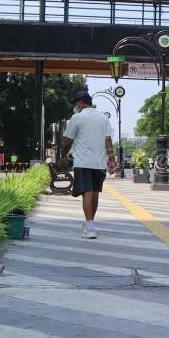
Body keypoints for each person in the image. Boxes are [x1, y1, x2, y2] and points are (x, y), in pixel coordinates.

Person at [59, 91, 117, 239]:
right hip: (100, 163)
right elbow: (108, 140)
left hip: (83, 162)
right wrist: (111, 160)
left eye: (75, 103)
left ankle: (90, 227)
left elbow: (68, 141)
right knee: (95, 193)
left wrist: (63, 156)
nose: (75, 106)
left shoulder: (77, 118)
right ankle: (89, 224)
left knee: (87, 193)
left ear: (81, 102)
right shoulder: (103, 118)